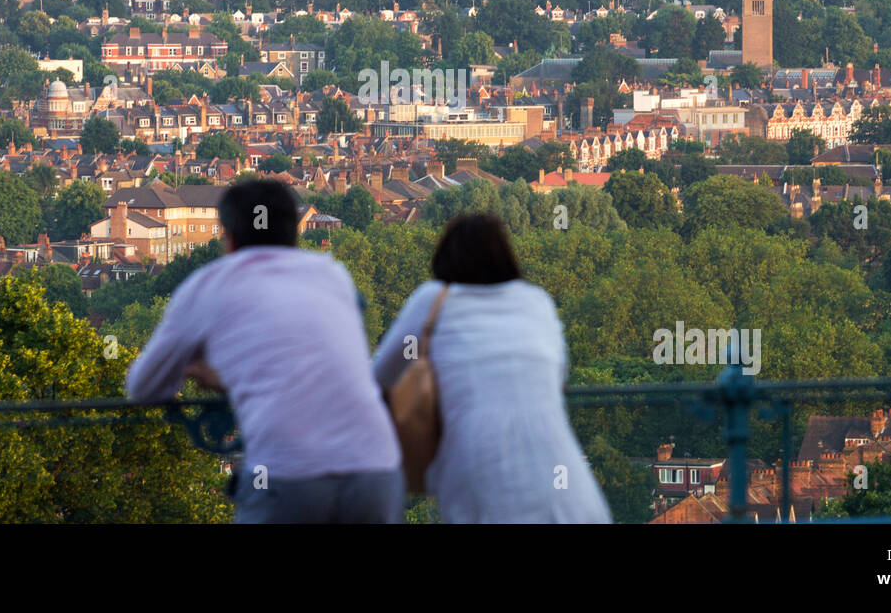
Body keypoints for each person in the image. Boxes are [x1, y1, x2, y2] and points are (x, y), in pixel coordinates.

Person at [126, 179, 403, 523]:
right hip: (376, 469)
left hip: (288, 475)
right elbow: (312, 367)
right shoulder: (332, 275)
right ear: (295, 233)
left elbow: (143, 387)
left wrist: (195, 370)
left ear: (228, 237)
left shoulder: (208, 285)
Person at [372, 214, 611, 523]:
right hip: (573, 496)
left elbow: (379, 378)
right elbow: (556, 378)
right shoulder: (537, 302)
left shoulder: (434, 301)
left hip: (484, 489)